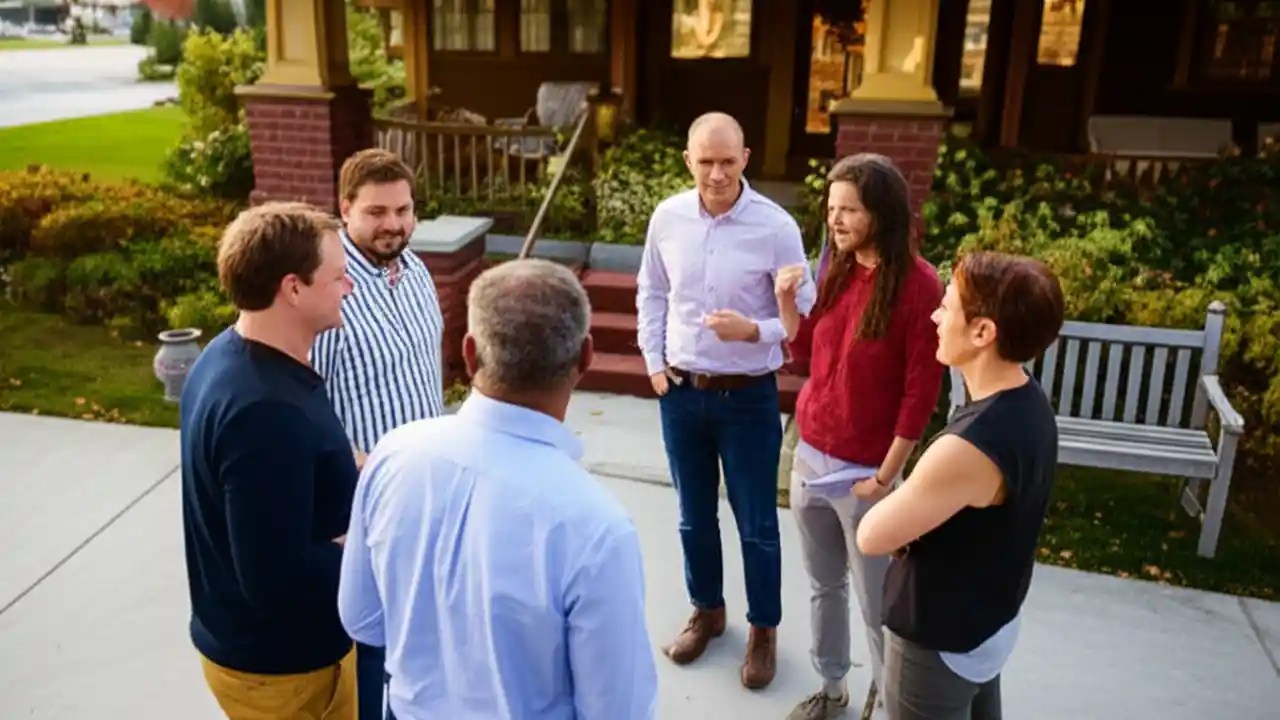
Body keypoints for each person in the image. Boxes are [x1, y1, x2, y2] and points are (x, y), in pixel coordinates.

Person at [338, 259, 658, 720]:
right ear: (586, 358)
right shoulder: (598, 530)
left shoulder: (392, 455)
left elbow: (362, 619)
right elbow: (617, 711)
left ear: (469, 354)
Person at [637, 111, 816, 689]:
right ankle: (708, 611)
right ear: (689, 160)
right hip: (682, 394)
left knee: (757, 522)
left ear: (746, 157)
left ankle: (763, 629)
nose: (716, 173)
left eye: (727, 160)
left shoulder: (776, 226)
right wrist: (654, 364)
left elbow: (802, 311)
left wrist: (756, 332)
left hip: (747, 400)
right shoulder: (667, 217)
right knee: (693, 518)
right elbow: (652, 290)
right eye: (705, 162)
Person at [857, 251, 1065, 720]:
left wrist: (896, 490)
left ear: (983, 332)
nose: (935, 315)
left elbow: (872, 535)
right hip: (988, 621)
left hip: (939, 641)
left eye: (947, 306)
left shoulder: (968, 447)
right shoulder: (1028, 401)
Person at [179, 202, 358, 719]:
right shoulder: (265, 411)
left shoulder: (229, 354)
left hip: (263, 655)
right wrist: (367, 539)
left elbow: (272, 478)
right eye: (339, 277)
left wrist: (361, 464)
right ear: (293, 288)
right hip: (285, 673)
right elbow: (275, 580)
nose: (349, 287)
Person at [784, 154, 945, 720]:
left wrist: (884, 478)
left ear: (881, 211)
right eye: (831, 209)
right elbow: (803, 354)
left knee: (878, 604)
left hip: (866, 478)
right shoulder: (836, 268)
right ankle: (832, 690)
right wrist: (786, 302)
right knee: (823, 586)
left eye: (849, 209)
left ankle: (889, 703)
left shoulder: (922, 287)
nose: (836, 220)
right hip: (809, 460)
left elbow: (920, 394)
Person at [310, 148, 445, 719]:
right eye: (376, 212)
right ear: (346, 210)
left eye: (403, 209)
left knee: (424, 636)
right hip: (368, 507)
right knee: (375, 646)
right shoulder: (329, 290)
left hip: (430, 492)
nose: (393, 224)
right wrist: (347, 469)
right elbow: (298, 406)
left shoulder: (415, 270)